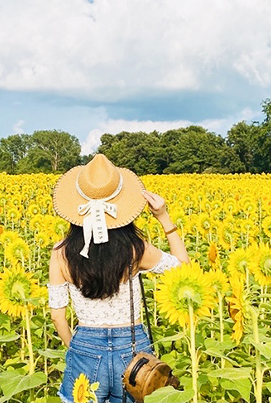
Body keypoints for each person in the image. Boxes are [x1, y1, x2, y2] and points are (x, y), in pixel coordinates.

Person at [48, 154, 190, 403]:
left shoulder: (61, 253)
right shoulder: (135, 249)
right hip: (133, 350)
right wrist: (164, 218)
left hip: (86, 346)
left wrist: (78, 349)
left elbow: (58, 315)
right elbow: (184, 270)